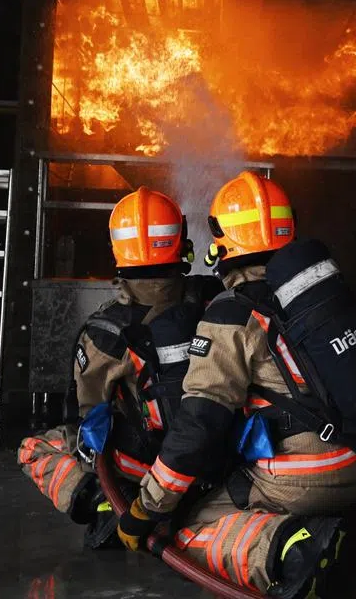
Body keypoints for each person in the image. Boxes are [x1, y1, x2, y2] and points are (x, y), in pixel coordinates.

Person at [116, 171, 356, 598]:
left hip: (302, 479)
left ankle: (288, 549)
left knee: (185, 530)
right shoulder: (322, 291)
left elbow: (198, 426)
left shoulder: (230, 314)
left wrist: (146, 507)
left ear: (221, 246)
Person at [18, 186, 222, 548]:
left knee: (36, 448)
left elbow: (89, 413)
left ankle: (103, 506)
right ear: (181, 240)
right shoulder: (214, 299)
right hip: (217, 464)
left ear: (117, 251)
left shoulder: (104, 333)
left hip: (146, 472)